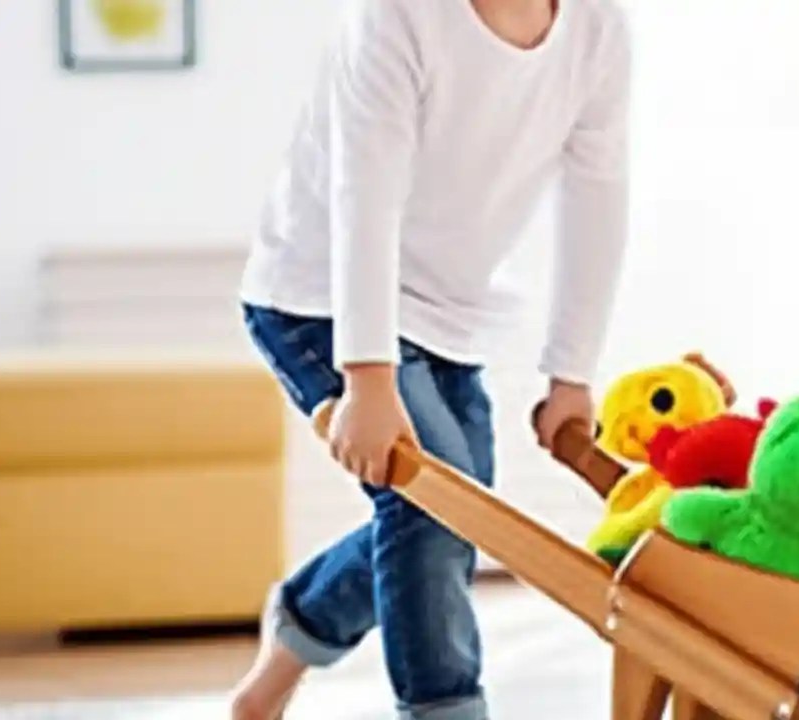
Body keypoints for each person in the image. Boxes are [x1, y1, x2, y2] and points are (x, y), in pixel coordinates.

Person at [231, 0, 631, 716]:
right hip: (317, 297)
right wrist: (367, 379)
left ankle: (291, 635)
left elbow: (597, 195)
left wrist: (570, 373)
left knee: (444, 519)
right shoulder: (399, 17)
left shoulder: (596, 30)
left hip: (447, 315)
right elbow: (366, 197)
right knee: (435, 512)